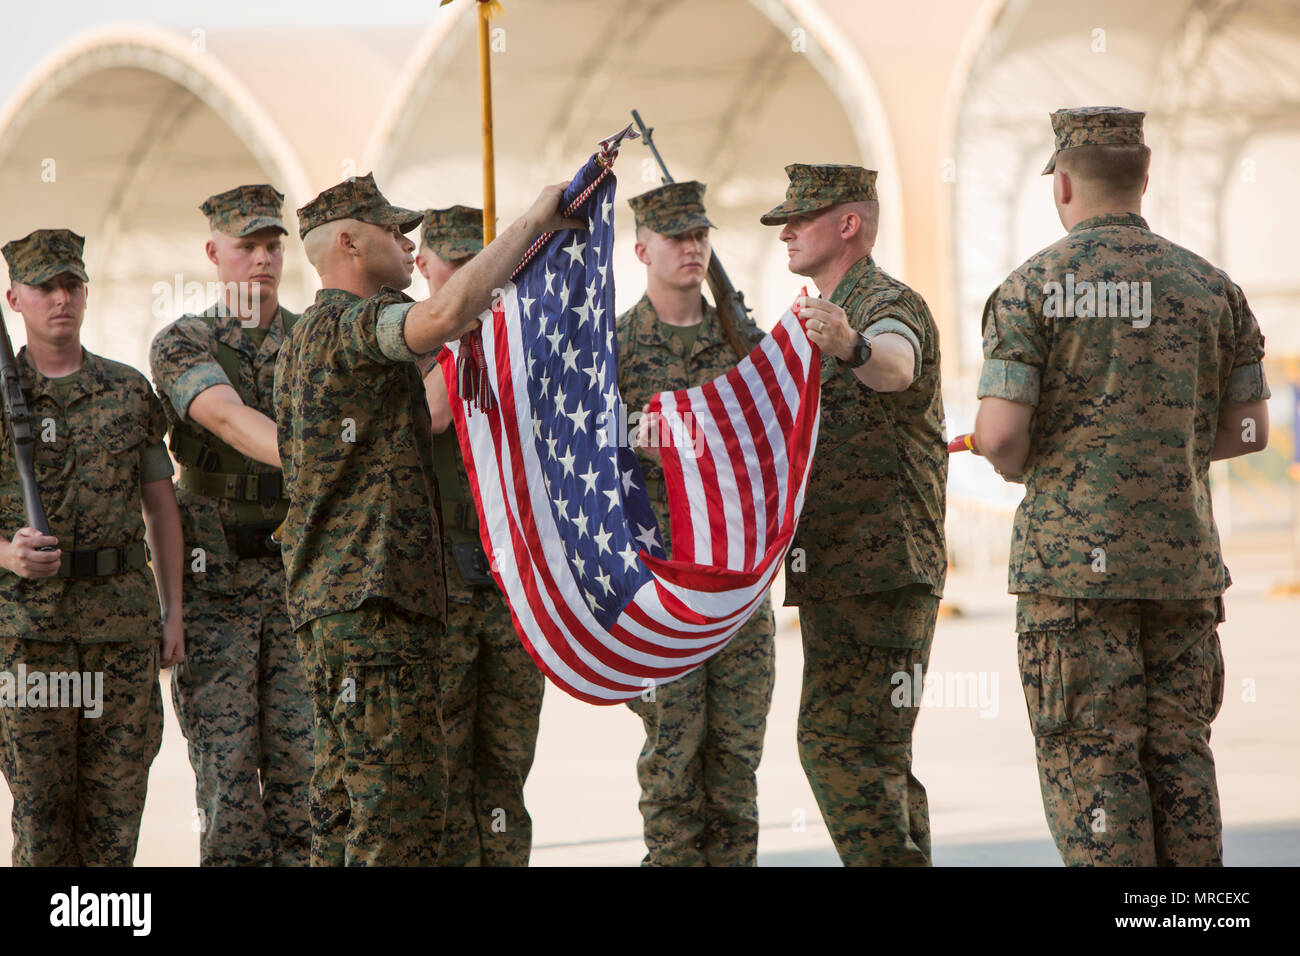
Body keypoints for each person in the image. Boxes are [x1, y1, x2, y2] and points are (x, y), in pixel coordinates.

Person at [973, 107, 1271, 866]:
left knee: (1093, 766)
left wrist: (1020, 462)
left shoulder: (1031, 289)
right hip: (1181, 568)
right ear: (1144, 177)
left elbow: (1003, 435)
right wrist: (1162, 445)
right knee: (1180, 757)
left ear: (1063, 183)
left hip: (1072, 578)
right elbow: (1249, 431)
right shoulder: (1212, 288)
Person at [273, 172, 579, 866]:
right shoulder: (347, 326)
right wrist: (536, 218)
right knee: (399, 819)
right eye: (392, 230)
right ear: (348, 242)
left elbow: (446, 334)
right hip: (374, 612)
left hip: (340, 612)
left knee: (344, 811)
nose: (408, 243)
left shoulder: (308, 343)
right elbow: (440, 320)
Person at [761, 164, 947, 866]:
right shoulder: (818, 314)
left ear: (848, 225)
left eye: (801, 218)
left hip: (882, 568)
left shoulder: (880, 304)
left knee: (843, 750)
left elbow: (895, 364)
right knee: (880, 758)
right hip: (845, 570)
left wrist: (853, 346)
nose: (786, 230)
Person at [0, 229, 183, 865]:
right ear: (14, 297)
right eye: (44, 287)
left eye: (71, 285)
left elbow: (161, 506)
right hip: (32, 638)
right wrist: (7, 555)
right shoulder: (2, 397)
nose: (60, 298)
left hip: (123, 636)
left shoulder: (129, 390)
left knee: (116, 814)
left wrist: (173, 611)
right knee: (43, 817)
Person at [149, 184, 312, 866]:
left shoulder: (311, 339)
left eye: (273, 246)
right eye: (247, 246)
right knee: (228, 790)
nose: (263, 260)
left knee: (306, 785)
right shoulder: (184, 341)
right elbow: (219, 414)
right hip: (216, 592)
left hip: (300, 589)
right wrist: (173, 612)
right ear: (215, 252)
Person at [615, 180, 776, 866]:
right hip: (659, 588)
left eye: (700, 235)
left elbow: (781, 426)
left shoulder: (745, 341)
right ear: (642, 247)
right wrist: (634, 435)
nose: (692, 248)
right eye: (677, 237)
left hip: (735, 583)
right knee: (673, 768)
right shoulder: (613, 349)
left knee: (735, 769)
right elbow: (579, 450)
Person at [416, 205, 545, 867]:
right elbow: (432, 415)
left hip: (512, 586)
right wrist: (465, 330)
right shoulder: (409, 343)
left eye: (479, 262)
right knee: (443, 769)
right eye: (454, 263)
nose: (466, 274)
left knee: (504, 768)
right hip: (443, 592)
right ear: (424, 266)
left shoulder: (521, 345)